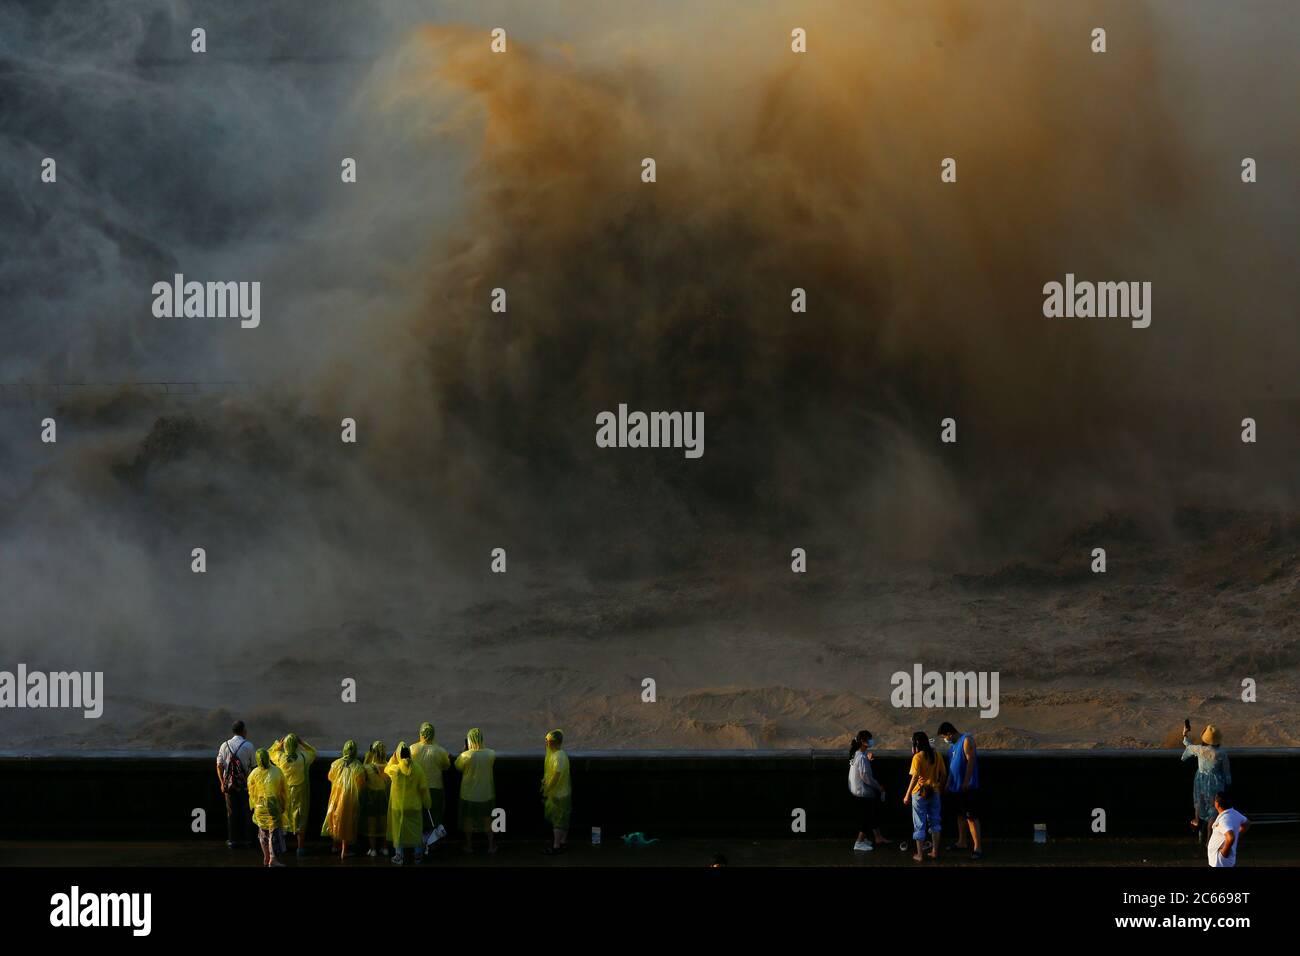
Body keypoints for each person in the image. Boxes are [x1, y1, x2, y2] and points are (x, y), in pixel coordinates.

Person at [938, 721, 982, 859]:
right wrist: (947, 784)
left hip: (967, 788)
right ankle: (962, 842)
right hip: (955, 789)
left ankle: (977, 848)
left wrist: (966, 781)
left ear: (950, 733)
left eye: (945, 737)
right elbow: (951, 768)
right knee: (960, 816)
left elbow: (971, 761)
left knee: (971, 817)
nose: (945, 740)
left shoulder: (966, 740)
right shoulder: (952, 747)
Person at [269, 733, 318, 856]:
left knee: (283, 817)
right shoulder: (303, 757)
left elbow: (270, 753)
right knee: (300, 817)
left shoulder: (280, 758)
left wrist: (278, 745)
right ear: (296, 745)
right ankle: (300, 848)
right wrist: (302, 743)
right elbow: (313, 752)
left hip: (284, 792)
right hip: (299, 793)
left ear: (285, 745)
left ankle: (282, 846)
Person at [903, 731, 946, 862]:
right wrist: (939, 786)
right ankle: (935, 852)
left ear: (916, 744)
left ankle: (920, 855)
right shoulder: (937, 754)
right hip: (935, 791)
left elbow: (915, 777)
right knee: (935, 822)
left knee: (919, 824)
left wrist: (907, 795)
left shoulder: (918, 757)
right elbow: (943, 774)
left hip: (919, 793)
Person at [385, 742, 431, 864]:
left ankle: (399, 856)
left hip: (398, 807)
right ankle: (417, 855)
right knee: (416, 831)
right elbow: (423, 789)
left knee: (398, 832)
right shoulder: (418, 768)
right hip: (414, 806)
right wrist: (427, 803)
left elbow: (386, 768)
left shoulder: (395, 769)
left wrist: (393, 759)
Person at [1181, 722, 1231, 834]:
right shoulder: (1222, 754)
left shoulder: (1200, 749)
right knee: (1214, 809)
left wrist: (1185, 734)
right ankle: (1209, 839)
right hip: (1216, 782)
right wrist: (1228, 783)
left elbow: (1188, 745)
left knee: (1199, 799)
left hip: (1201, 779)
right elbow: (1226, 773)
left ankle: (1197, 820)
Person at [455, 728, 497, 854]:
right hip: (486, 793)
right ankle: (491, 847)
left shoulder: (465, 756)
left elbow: (457, 766)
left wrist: (463, 751)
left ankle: (469, 846)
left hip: (468, 794)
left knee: (468, 820)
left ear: (469, 740)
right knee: (488, 820)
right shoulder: (491, 754)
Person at [321, 740, 365, 858]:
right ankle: (344, 851)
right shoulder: (358, 766)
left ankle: (335, 846)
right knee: (346, 822)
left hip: (336, 795)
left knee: (335, 818)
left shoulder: (336, 763)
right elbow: (361, 784)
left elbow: (330, 777)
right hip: (349, 798)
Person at [216, 720, 256, 849]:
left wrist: (222, 783)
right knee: (247, 812)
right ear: (243, 731)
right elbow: (255, 766)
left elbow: (219, 765)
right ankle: (248, 840)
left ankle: (233, 841)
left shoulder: (224, 745)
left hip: (229, 786)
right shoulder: (248, 745)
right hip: (245, 785)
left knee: (232, 813)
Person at [246, 748, 288, 867]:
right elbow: (283, 791)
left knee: (262, 833)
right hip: (272, 805)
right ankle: (273, 859)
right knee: (273, 832)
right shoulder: (276, 771)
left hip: (259, 806)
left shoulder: (253, 773)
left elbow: (251, 791)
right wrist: (284, 805)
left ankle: (266, 857)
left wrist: (254, 806)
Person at [410, 722, 451, 842]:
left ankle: (418, 844)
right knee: (435, 818)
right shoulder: (440, 751)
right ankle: (433, 844)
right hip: (435, 788)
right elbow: (446, 766)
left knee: (419, 817)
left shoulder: (412, 749)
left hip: (417, 788)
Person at [847, 730, 887, 851]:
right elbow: (865, 776)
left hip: (856, 790)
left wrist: (867, 758)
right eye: (869, 739)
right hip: (862, 791)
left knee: (870, 814)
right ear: (863, 742)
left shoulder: (857, 754)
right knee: (867, 817)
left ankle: (877, 837)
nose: (871, 741)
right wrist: (878, 786)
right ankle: (859, 842)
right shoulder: (861, 757)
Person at [541, 729, 572, 854]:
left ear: (554, 742)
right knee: (563, 818)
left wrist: (547, 789)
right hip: (564, 792)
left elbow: (556, 776)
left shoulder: (557, 757)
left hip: (558, 794)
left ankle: (556, 846)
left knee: (558, 821)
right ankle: (563, 842)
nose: (546, 744)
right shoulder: (562, 754)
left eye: (548, 741)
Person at [361, 740, 391, 857]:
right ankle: (384, 848)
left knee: (371, 824)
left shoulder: (367, 768)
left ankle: (373, 849)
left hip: (371, 799)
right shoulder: (389, 766)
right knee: (384, 824)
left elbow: (361, 776)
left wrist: (367, 757)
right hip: (384, 798)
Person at [1207, 792, 1249, 868]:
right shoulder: (1235, 813)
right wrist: (1237, 836)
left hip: (1219, 862)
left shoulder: (1224, 820)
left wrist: (1224, 853)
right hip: (1226, 861)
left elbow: (1230, 837)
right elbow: (1247, 823)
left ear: (1217, 804)